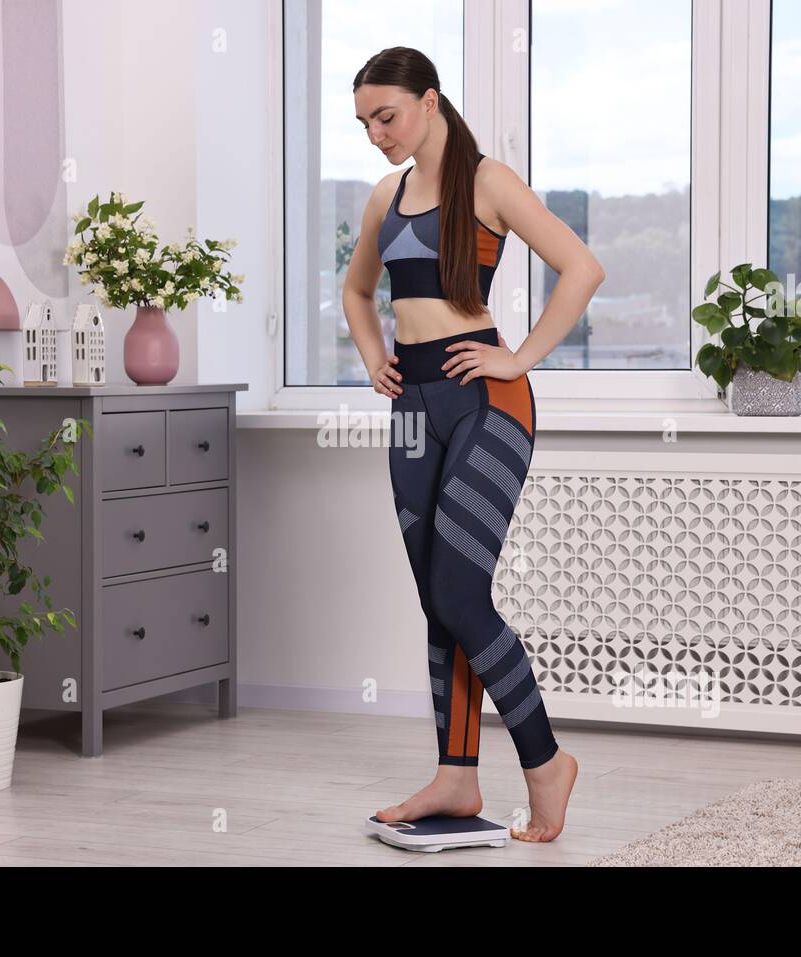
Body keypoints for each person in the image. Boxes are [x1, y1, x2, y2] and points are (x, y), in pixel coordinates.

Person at [342, 46, 606, 842]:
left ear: (430, 101)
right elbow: (358, 290)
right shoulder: (384, 197)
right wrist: (373, 359)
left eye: (386, 115)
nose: (377, 134)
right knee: (437, 597)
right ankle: (456, 777)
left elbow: (581, 267)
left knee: (459, 592)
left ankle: (545, 761)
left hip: (487, 402)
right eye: (363, 123)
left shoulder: (488, 182)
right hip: (414, 406)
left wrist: (520, 355)